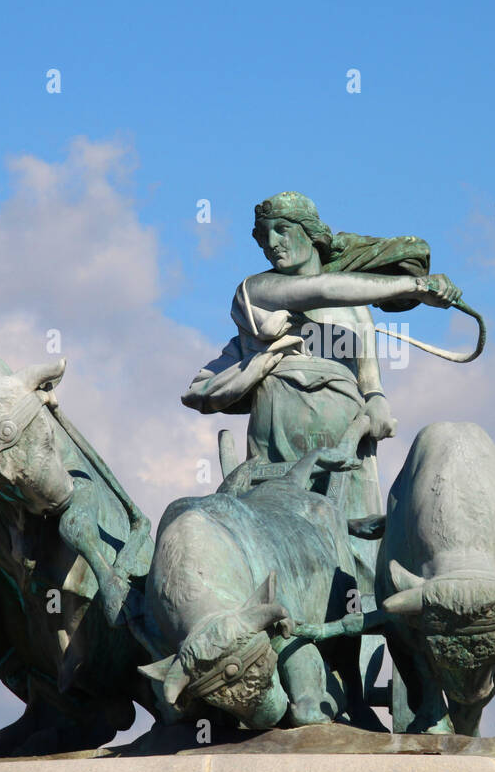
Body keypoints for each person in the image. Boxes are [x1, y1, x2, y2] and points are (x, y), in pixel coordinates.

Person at [182, 191, 461, 595]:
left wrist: (378, 406)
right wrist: (415, 286)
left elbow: (371, 381)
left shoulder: (357, 312)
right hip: (278, 436)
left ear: (310, 234)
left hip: (348, 446)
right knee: (279, 541)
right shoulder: (258, 289)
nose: (272, 243)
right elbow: (323, 289)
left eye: (282, 230)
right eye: (263, 236)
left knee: (359, 554)